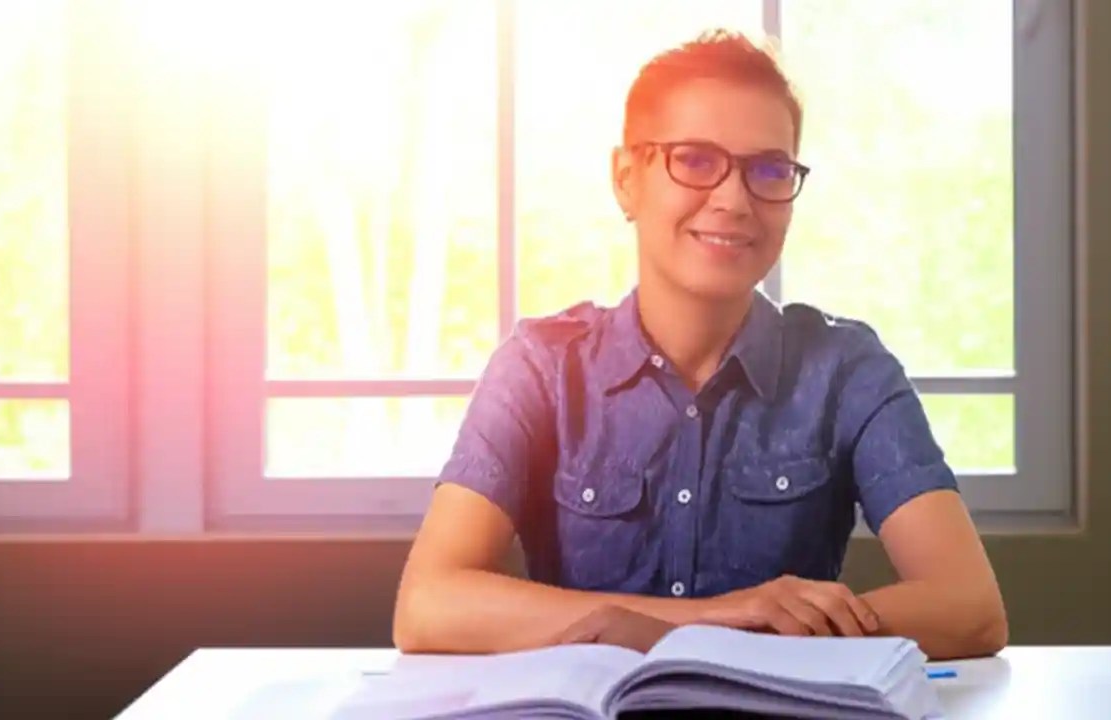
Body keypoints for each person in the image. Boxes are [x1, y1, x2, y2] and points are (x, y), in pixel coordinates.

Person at [392, 29, 1007, 660]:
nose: (734, 201)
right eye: (694, 160)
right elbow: (428, 605)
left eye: (769, 169)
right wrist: (715, 618)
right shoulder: (540, 368)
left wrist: (707, 634)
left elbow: (969, 608)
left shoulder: (847, 371)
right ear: (626, 179)